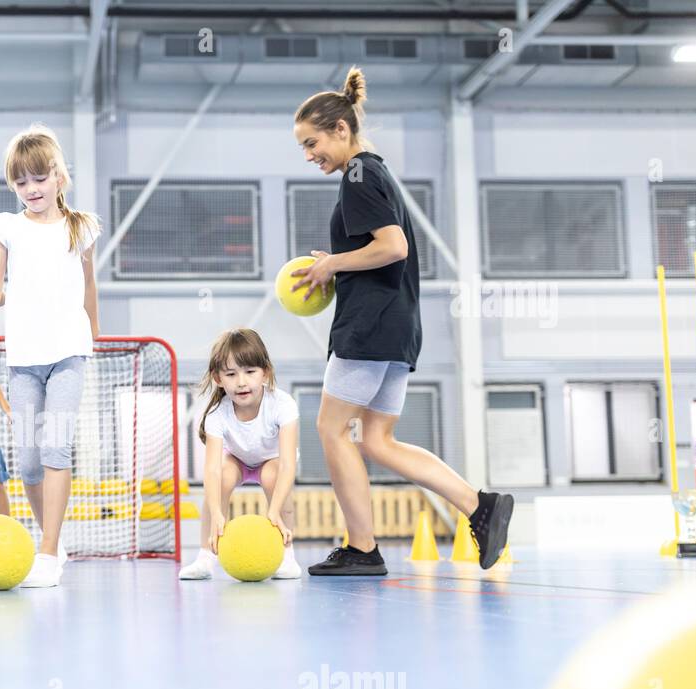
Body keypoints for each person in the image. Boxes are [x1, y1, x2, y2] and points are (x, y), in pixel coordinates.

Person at [291, 66, 512, 575]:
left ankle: (363, 548)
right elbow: (381, 247)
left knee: (329, 429)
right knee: (376, 440)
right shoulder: (374, 171)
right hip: (397, 327)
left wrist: (332, 263)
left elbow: (393, 247)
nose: (309, 156)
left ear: (340, 130)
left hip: (368, 328)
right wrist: (340, 258)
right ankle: (481, 506)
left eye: (312, 142)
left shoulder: (357, 176)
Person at [0, 123, 101, 588]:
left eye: (39, 178)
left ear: (59, 176)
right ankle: (52, 539)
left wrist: (93, 333)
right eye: (20, 182)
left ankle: (47, 553)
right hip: (24, 360)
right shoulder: (6, 227)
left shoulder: (81, 226)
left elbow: (89, 285)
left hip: (67, 355)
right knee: (27, 459)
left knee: (57, 446)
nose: (31, 189)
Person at [179, 328, 301, 581]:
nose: (242, 382)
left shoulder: (283, 404)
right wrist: (217, 513)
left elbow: (288, 463)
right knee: (222, 478)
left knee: (272, 476)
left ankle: (288, 555)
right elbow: (212, 469)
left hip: (273, 460)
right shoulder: (217, 414)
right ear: (218, 378)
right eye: (231, 374)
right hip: (237, 460)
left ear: (265, 372)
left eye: (250, 372)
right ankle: (206, 557)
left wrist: (274, 511)